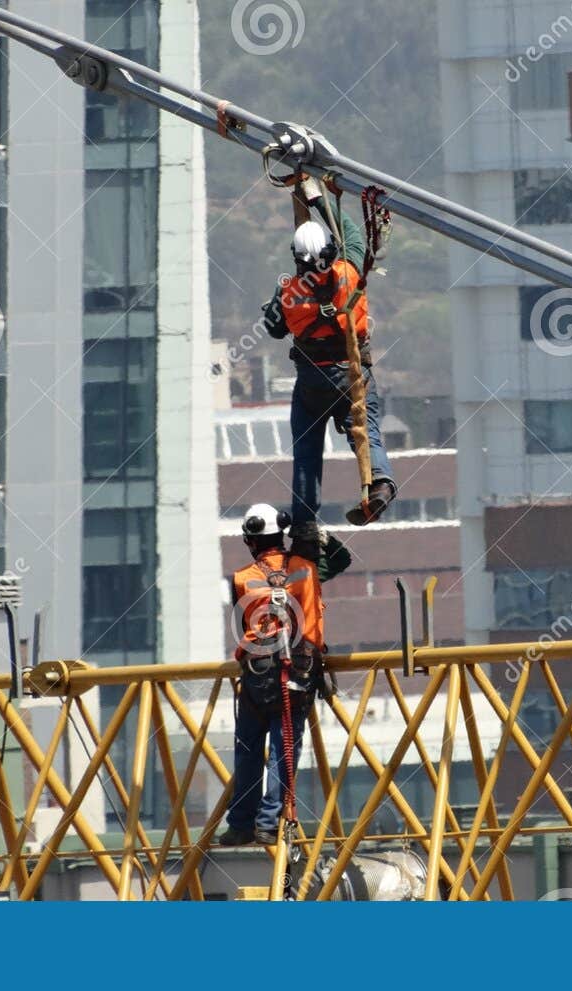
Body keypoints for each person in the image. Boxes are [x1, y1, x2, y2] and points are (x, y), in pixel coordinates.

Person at [218, 503, 351, 847]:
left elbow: (245, 622)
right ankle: (266, 823)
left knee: (247, 750)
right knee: (283, 750)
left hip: (255, 675)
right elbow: (342, 560)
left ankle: (240, 824)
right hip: (297, 674)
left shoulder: (242, 578)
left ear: (251, 540)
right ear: (283, 534)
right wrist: (322, 539)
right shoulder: (306, 569)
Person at [263, 219, 398, 528]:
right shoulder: (349, 275)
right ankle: (380, 484)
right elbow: (351, 234)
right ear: (330, 250)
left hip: (312, 382)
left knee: (306, 452)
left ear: (297, 258)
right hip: (352, 375)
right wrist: (319, 198)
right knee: (365, 433)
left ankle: (305, 523)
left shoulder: (288, 291)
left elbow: (273, 328)